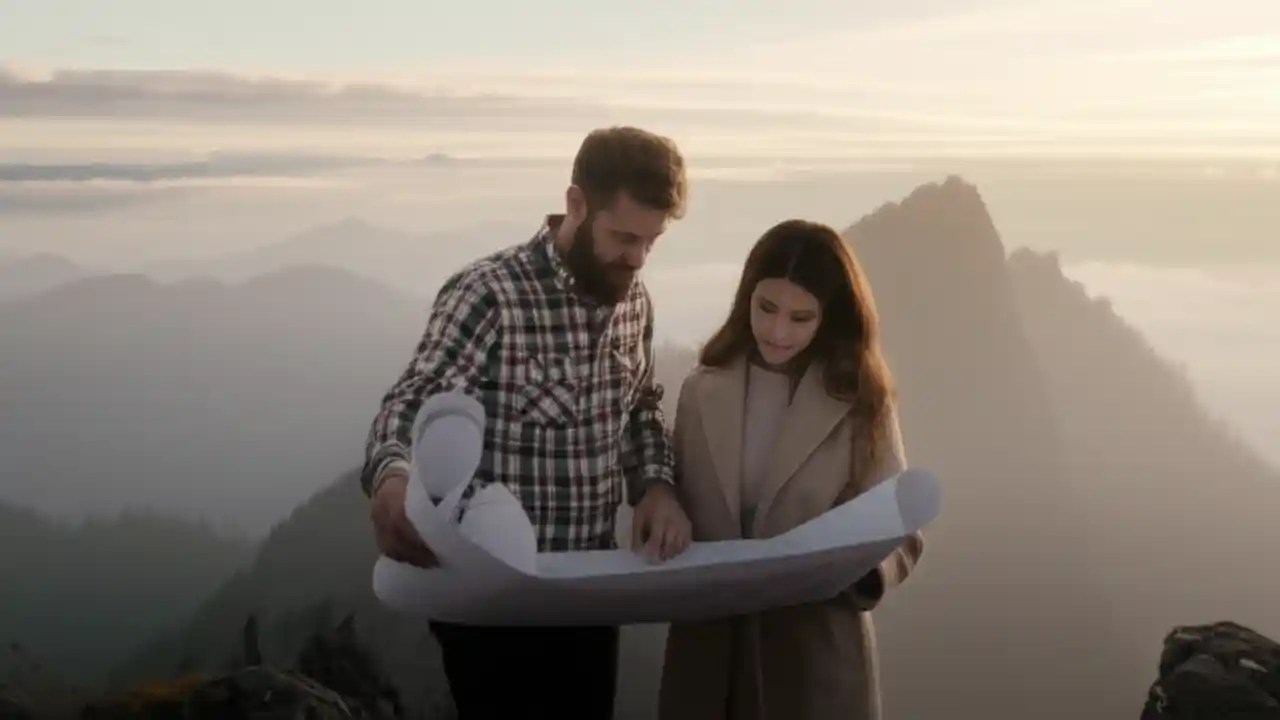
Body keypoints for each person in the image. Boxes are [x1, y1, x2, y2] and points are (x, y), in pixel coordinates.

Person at [361, 126, 694, 719]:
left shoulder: (634, 302)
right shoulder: (490, 295)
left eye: (651, 241)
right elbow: (415, 398)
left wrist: (657, 485)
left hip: (588, 594)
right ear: (576, 205)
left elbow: (640, 405)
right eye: (623, 237)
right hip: (492, 603)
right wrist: (392, 475)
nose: (637, 258)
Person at [657, 219, 926, 720]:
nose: (778, 332)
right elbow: (675, 496)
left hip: (814, 656)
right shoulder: (702, 389)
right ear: (746, 298)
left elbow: (901, 528)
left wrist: (859, 574)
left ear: (830, 317)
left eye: (800, 318)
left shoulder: (860, 402)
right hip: (707, 654)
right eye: (766, 309)